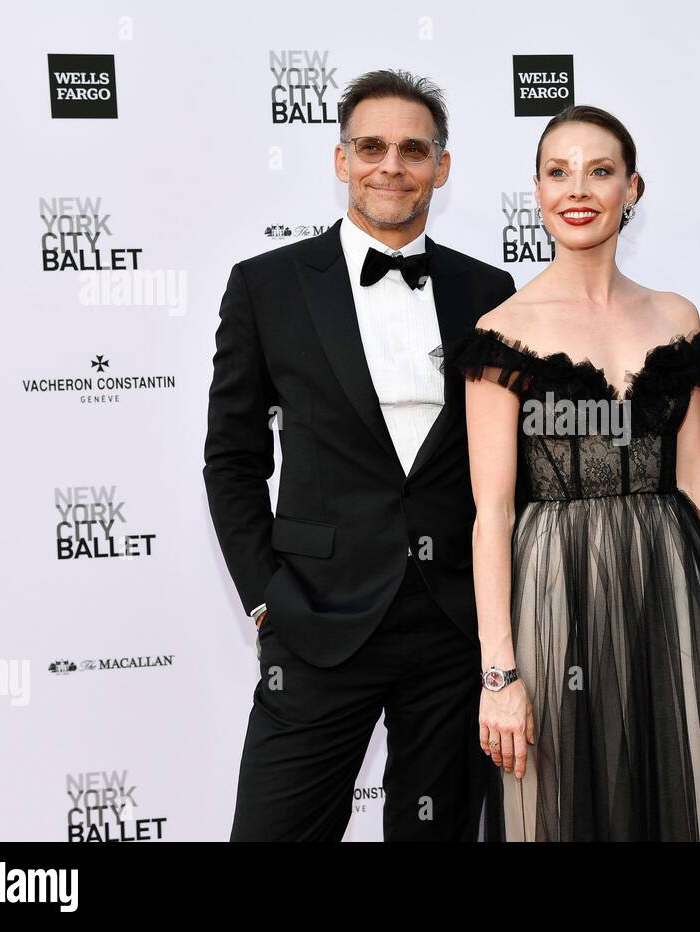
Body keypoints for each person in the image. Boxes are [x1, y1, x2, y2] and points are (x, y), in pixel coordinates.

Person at [203, 69, 515, 841]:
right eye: (370, 147)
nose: (392, 166)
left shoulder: (492, 291)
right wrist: (266, 597)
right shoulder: (266, 286)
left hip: (453, 624)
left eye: (415, 150)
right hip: (315, 615)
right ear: (341, 160)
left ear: (442, 167)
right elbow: (232, 459)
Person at [437, 105, 700, 841]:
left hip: (668, 588)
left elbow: (697, 482)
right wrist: (499, 674)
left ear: (632, 188)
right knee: (556, 807)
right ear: (537, 190)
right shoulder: (503, 329)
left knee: (676, 806)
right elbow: (492, 510)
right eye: (558, 171)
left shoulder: (677, 316)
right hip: (552, 592)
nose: (578, 189)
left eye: (600, 171)